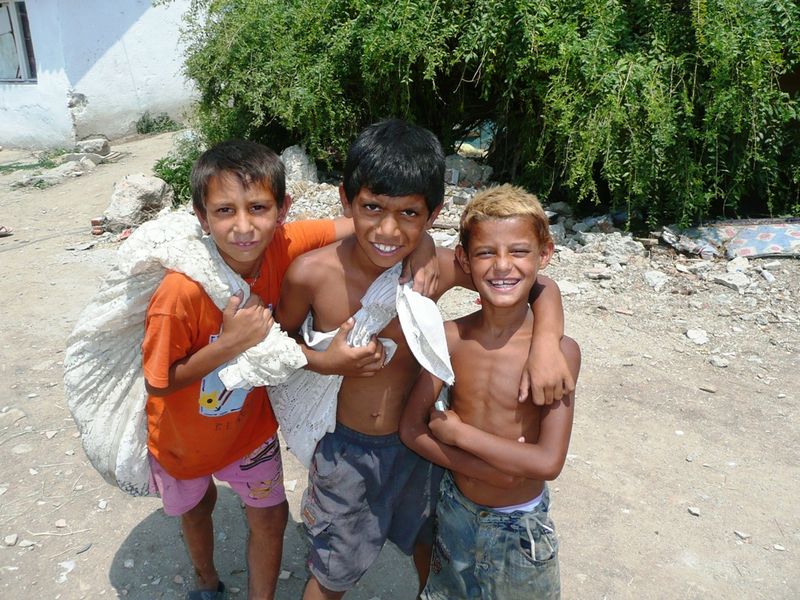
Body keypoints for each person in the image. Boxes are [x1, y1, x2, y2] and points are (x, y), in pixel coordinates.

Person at [276, 120, 574, 600]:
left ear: (432, 214)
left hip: (422, 452)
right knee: (334, 570)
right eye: (372, 208)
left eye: (409, 213)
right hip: (349, 451)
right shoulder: (312, 274)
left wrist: (546, 341)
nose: (388, 229)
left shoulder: (430, 269)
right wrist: (325, 361)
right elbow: (277, 346)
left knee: (431, 550)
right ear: (346, 200)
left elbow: (527, 279)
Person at [141, 140, 435, 600]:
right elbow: (159, 382)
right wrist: (233, 343)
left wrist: (425, 247)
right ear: (202, 216)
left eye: (258, 207)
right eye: (224, 211)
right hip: (183, 439)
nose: (244, 226)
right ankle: (206, 582)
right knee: (196, 509)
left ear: (282, 210)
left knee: (270, 520)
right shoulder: (181, 294)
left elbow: (377, 224)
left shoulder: (287, 245)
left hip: (251, 432)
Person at [400, 184, 582, 600]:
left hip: (520, 530)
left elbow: (547, 461)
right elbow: (412, 429)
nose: (503, 266)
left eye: (519, 251)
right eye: (485, 253)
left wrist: (460, 435)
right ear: (464, 258)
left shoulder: (558, 354)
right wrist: (490, 471)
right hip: (454, 513)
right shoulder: (448, 338)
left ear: (545, 254)